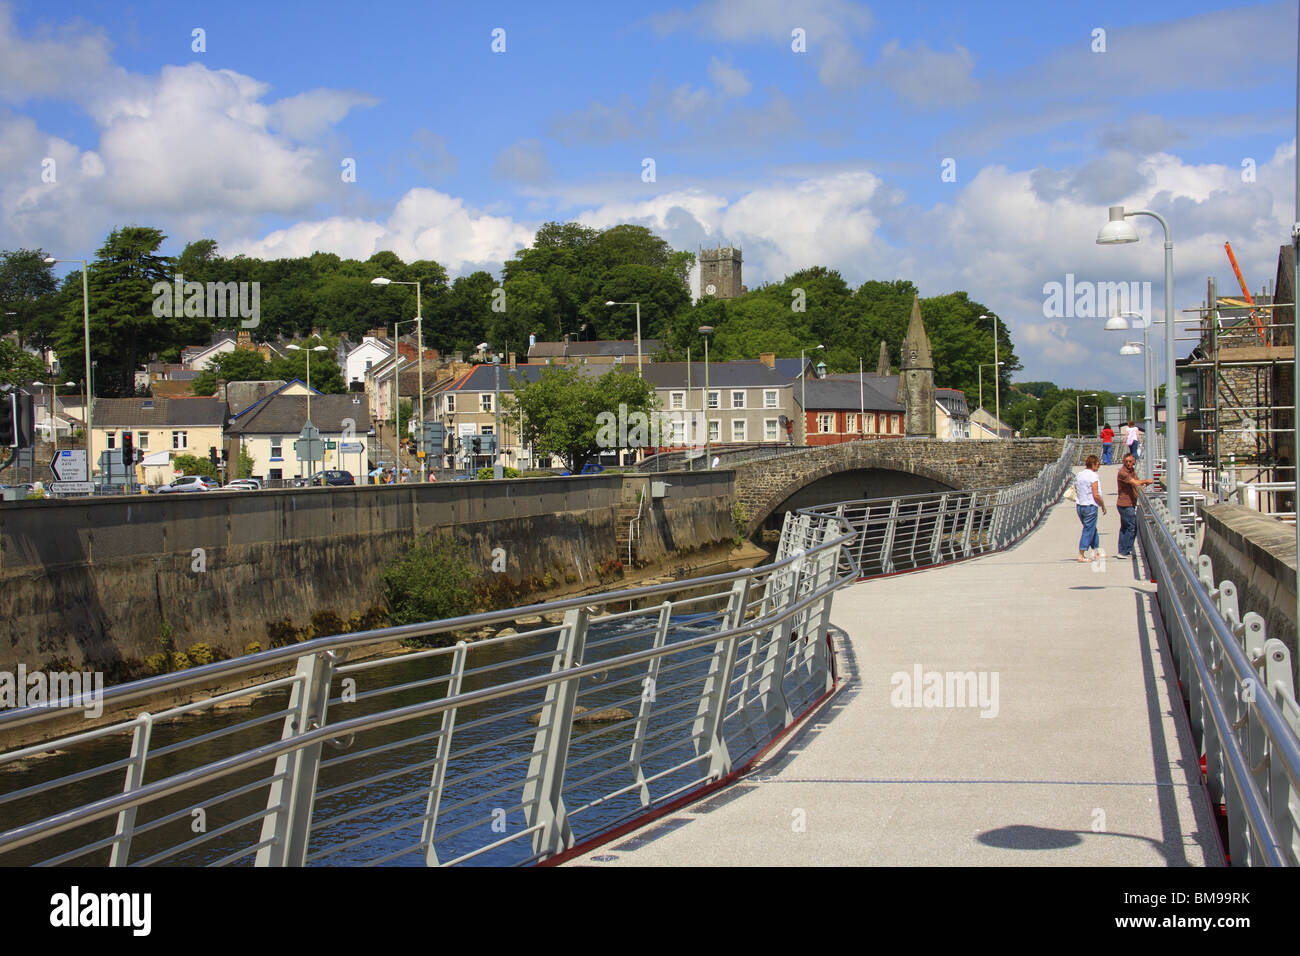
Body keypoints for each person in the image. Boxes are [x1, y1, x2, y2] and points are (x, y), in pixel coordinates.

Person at [1115, 453, 1153, 557]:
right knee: (1132, 526)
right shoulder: (1123, 473)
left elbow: (1137, 484)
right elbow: (1135, 483)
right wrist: (1146, 481)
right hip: (1125, 504)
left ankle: (1123, 550)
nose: (1128, 463)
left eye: (1130, 461)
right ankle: (1124, 551)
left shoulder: (1132, 471)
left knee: (1125, 527)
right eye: (1126, 461)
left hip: (1129, 503)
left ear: (1133, 462)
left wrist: (1142, 486)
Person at [1075, 454, 1106, 562]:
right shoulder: (1093, 475)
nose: (1099, 466)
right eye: (1098, 464)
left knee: (1092, 528)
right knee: (1088, 530)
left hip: (1080, 506)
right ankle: (1081, 554)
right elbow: (1096, 494)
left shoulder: (1079, 474)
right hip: (1090, 506)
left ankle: (1096, 552)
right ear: (1093, 464)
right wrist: (1102, 505)